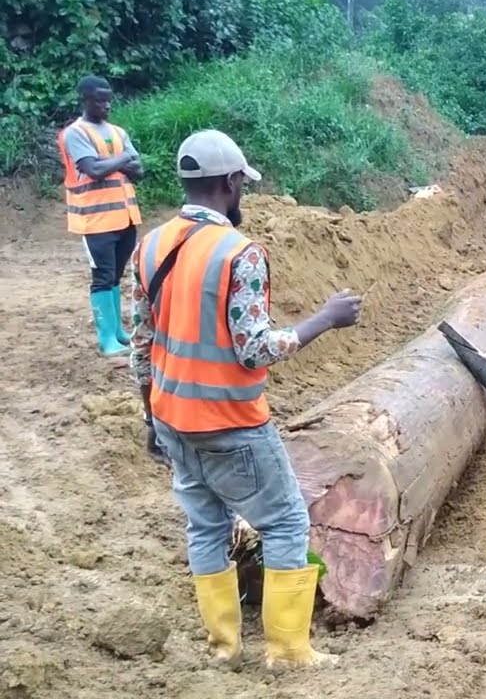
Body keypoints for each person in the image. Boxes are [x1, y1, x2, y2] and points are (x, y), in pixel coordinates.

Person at [126, 129, 362, 669]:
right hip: (230, 422)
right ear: (231, 183)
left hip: (172, 418)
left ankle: (223, 647)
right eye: (242, 186)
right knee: (283, 523)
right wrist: (324, 321)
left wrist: (150, 417)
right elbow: (254, 349)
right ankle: (287, 650)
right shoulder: (241, 253)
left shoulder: (152, 245)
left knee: (205, 526)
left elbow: (142, 346)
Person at [57, 76, 144, 356]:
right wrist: (122, 161)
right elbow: (92, 170)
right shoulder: (75, 133)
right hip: (95, 220)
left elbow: (139, 171)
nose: (106, 105)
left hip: (126, 216)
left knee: (117, 276)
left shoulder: (117, 131)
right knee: (102, 277)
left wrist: (110, 163)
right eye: (99, 100)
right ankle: (107, 338)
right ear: (84, 100)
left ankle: (118, 332)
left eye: (108, 99)